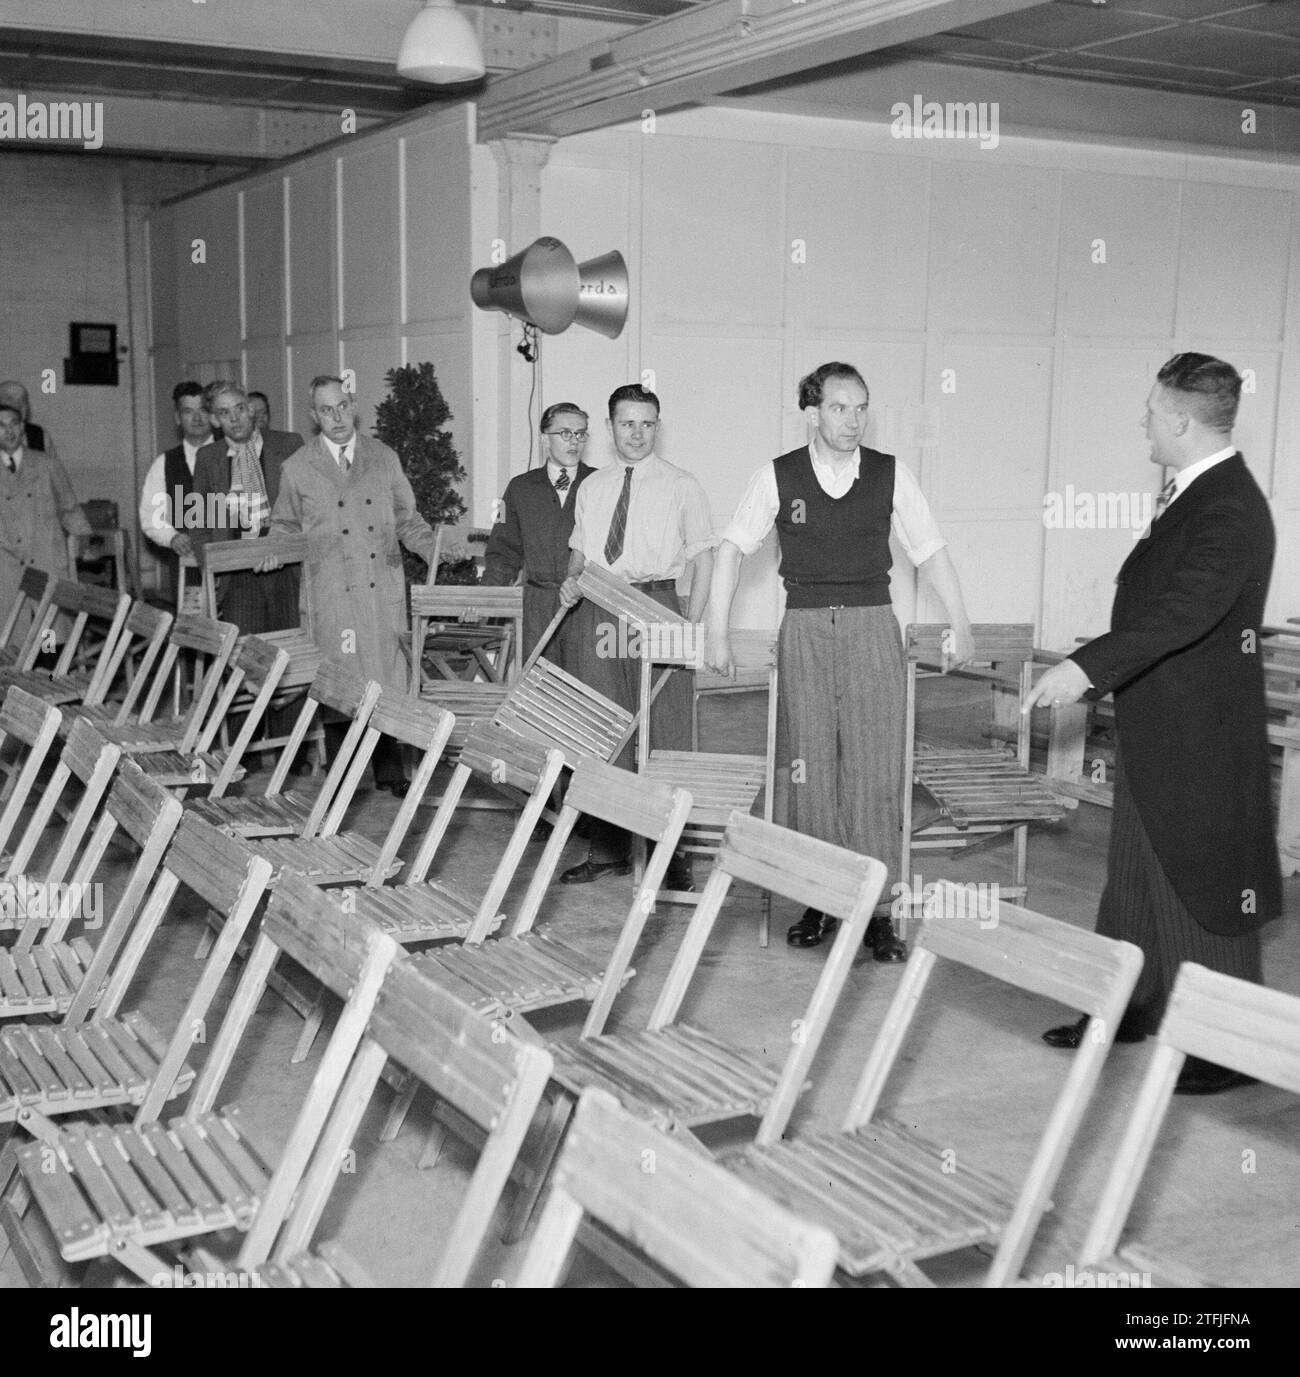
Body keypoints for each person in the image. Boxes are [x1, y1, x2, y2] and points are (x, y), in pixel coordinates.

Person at [1028, 352, 1281, 1095]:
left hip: (1200, 732)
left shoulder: (1227, 505)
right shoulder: (1196, 491)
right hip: (1161, 718)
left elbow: (1184, 613)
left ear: (1179, 419)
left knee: (1202, 878)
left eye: (1150, 408)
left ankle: (1230, 1044)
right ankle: (1130, 1003)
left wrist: (1086, 666)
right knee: (1137, 870)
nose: (1143, 418)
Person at [705, 362, 975, 962]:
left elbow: (929, 550)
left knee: (876, 764)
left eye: (861, 409)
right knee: (810, 765)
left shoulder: (890, 473)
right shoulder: (777, 476)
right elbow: (730, 550)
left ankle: (879, 910)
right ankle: (821, 898)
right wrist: (715, 633)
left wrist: (961, 623)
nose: (852, 421)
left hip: (873, 626)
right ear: (812, 413)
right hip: (802, 626)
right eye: (839, 408)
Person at [557, 384, 714, 889]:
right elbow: (581, 552)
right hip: (600, 608)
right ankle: (609, 846)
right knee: (602, 724)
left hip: (658, 606)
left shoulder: (682, 484)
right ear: (610, 428)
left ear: (657, 426)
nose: (638, 433)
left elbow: (703, 557)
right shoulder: (593, 487)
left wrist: (690, 622)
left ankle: (674, 852)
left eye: (647, 423)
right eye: (628, 423)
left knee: (665, 729)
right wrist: (570, 578)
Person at [265, 374, 439, 796]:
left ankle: (391, 772)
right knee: (342, 681)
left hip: (380, 588)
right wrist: (272, 551)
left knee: (383, 678)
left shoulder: (383, 457)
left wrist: (437, 548)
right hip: (331, 592)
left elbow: (407, 519)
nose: (337, 417)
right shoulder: (298, 467)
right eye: (326, 410)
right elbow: (284, 525)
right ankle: (343, 777)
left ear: (353, 405)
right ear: (314, 416)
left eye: (342, 406)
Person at [481, 401, 594, 670]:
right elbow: (502, 553)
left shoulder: (600, 484)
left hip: (587, 607)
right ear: (545, 439)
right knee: (537, 689)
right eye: (565, 433)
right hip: (537, 610)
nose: (574, 441)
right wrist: (484, 602)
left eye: (580, 433)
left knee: (590, 690)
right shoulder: (517, 488)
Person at [190, 380, 303, 634]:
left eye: (240, 408)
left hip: (287, 571)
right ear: (215, 421)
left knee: (291, 653)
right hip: (237, 576)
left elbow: (310, 510)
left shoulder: (289, 446)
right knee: (246, 659)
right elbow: (198, 527)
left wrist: (282, 548)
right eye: (224, 413)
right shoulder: (207, 458)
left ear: (251, 409)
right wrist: (213, 572)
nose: (235, 418)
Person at [0, 401, 92, 628]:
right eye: (1, 426)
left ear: (22, 428)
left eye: (14, 424)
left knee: (50, 638)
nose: (9, 431)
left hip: (46, 560)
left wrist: (81, 543)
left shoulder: (46, 464)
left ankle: (52, 663)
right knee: (12, 639)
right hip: (6, 568)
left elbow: (70, 508)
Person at [138, 380, 212, 601]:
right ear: (178, 418)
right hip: (186, 565)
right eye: (188, 411)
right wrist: (172, 537)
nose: (197, 418)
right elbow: (151, 516)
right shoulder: (165, 463)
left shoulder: (232, 455)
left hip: (229, 566)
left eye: (203, 410)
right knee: (192, 627)